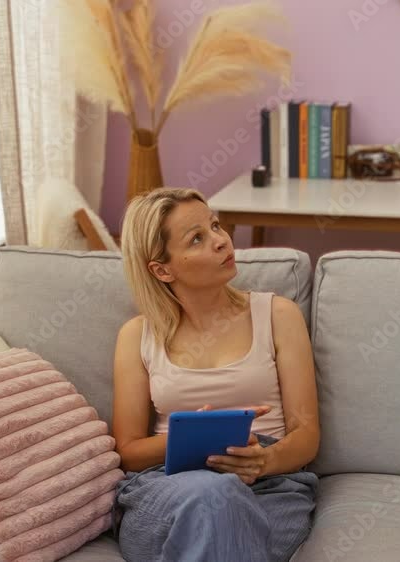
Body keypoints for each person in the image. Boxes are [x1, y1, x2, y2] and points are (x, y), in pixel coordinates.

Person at [110, 187, 320, 562]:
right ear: (162, 269)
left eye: (216, 226)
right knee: (211, 495)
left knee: (223, 503)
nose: (222, 241)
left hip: (268, 486)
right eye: (197, 238)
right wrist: (191, 435)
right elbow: (128, 452)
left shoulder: (277, 315)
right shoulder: (136, 337)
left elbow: (306, 436)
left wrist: (264, 461)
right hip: (168, 485)